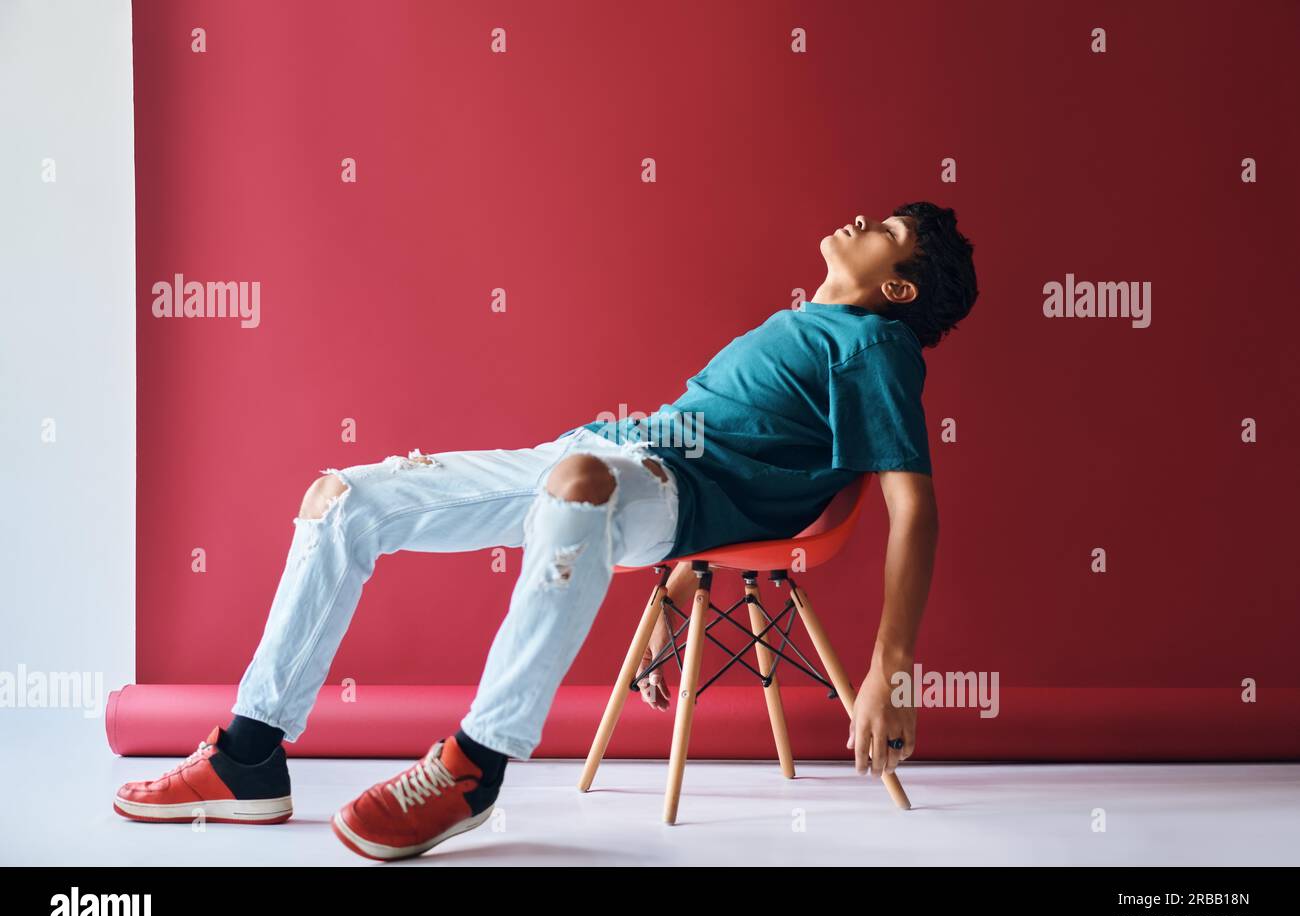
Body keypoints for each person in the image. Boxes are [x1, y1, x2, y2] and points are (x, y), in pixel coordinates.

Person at [112, 201, 978, 861]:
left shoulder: (875, 346)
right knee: (342, 496)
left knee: (579, 484)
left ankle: (473, 766)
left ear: (896, 287)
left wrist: (891, 663)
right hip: (606, 450)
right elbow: (767, 453)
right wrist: (684, 578)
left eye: (886, 231)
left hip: (653, 484)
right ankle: (249, 756)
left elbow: (913, 505)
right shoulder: (804, 325)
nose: (862, 220)